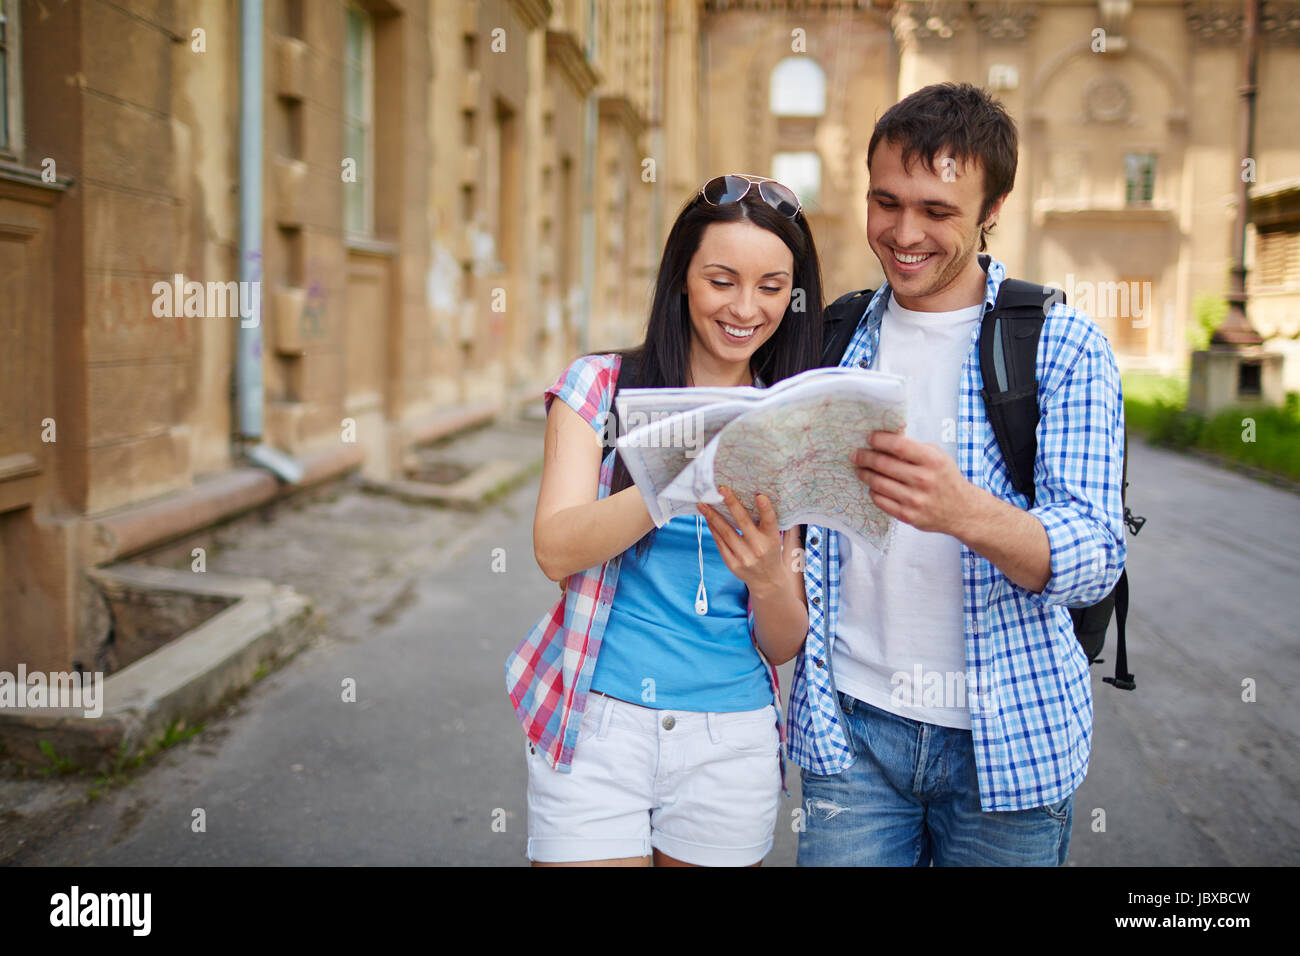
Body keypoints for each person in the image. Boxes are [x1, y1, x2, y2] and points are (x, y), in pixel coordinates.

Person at [789, 83, 1127, 866]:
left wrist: (962, 510)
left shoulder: (1063, 344)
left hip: (1008, 740)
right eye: (885, 202)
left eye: (937, 211)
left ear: (992, 207)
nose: (904, 234)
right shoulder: (834, 335)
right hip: (852, 732)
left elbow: (1095, 558)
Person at [507, 174, 825, 866]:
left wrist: (770, 580)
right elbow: (555, 550)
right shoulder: (599, 385)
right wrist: (672, 479)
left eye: (772, 287)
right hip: (596, 726)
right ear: (682, 278)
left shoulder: (789, 422)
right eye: (722, 281)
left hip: (729, 740)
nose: (746, 308)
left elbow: (783, 643)